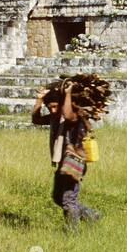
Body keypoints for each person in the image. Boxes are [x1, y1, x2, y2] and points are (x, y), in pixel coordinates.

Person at [30, 82, 100, 229]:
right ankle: (91, 215)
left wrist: (67, 93)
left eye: (55, 106)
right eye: (49, 107)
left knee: (68, 199)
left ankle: (71, 231)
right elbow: (36, 120)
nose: (52, 110)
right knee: (57, 197)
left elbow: (68, 115)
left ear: (63, 103)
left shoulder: (75, 116)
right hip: (63, 163)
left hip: (74, 162)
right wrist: (39, 100)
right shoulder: (54, 118)